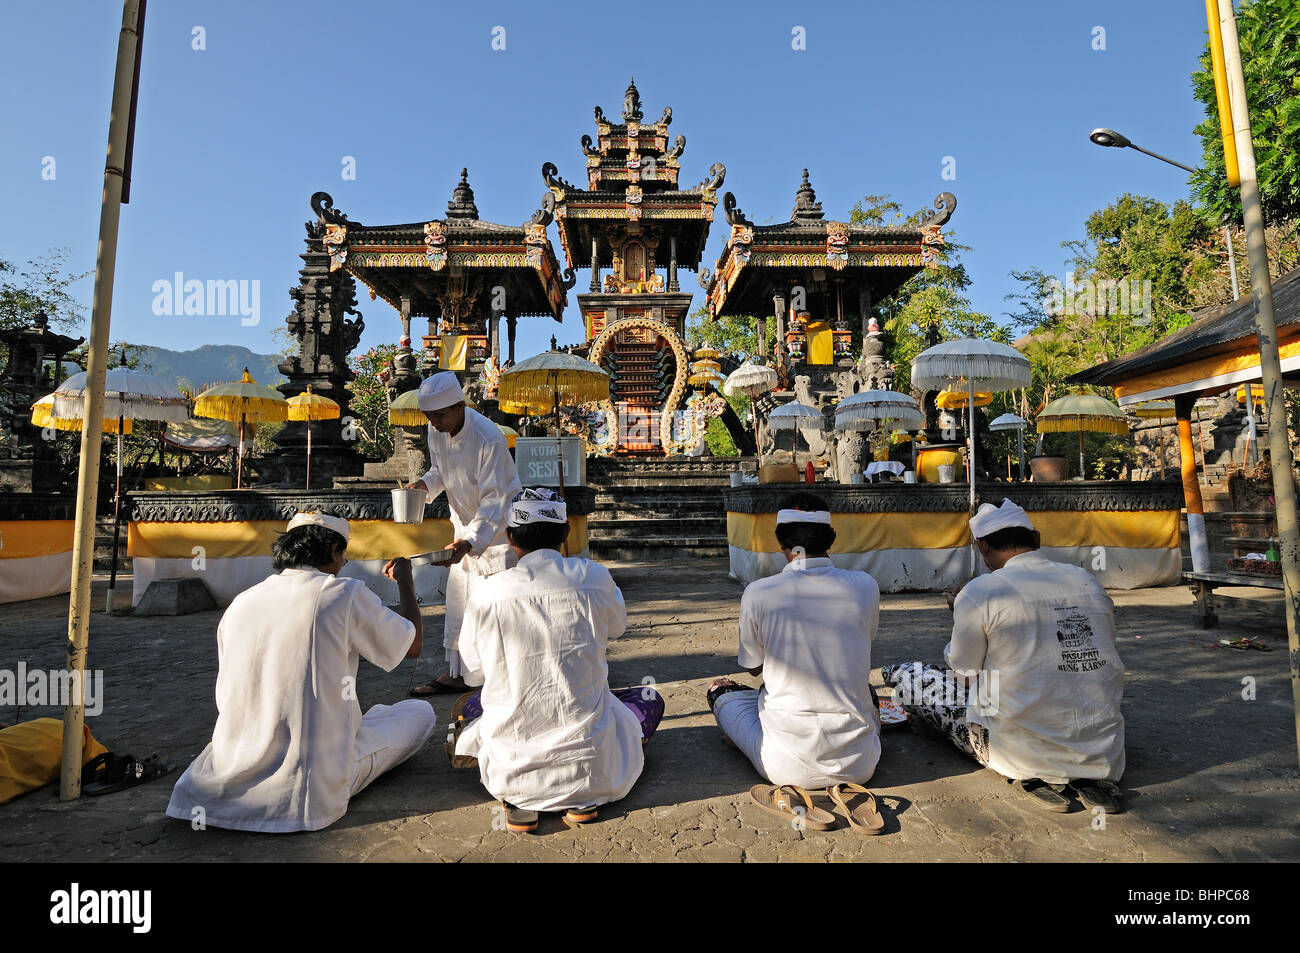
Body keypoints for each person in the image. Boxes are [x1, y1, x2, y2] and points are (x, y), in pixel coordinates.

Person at [165, 513, 435, 832]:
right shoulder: (343, 593)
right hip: (309, 785)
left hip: (233, 764)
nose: (343, 564)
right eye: (343, 556)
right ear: (334, 552)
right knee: (420, 713)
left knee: (372, 715)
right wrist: (406, 579)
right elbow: (412, 644)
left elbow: (227, 695)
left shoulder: (241, 603)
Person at [880, 498, 1126, 813]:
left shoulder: (981, 590)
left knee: (909, 677)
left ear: (982, 547)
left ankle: (1018, 760)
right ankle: (1077, 770)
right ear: (1036, 539)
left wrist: (961, 612)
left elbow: (964, 675)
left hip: (1017, 754)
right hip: (1102, 753)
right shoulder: (1087, 581)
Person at [448, 488, 663, 832]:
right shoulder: (594, 577)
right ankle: (581, 799)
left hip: (511, 773)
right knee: (648, 700)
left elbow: (474, 672)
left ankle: (520, 797)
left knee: (469, 706)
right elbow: (617, 627)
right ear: (566, 534)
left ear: (510, 537)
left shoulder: (487, 593)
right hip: (595, 771)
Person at [707, 492, 882, 822]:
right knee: (870, 693)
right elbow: (863, 641)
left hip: (786, 766)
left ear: (781, 541)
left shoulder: (759, 592)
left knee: (721, 692)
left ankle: (738, 732)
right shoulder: (865, 585)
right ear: (830, 537)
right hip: (860, 764)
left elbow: (755, 668)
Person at [407, 371, 522, 696]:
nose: (434, 422)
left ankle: (500, 678)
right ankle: (461, 673)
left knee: (494, 609)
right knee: (461, 605)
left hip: (497, 532)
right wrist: (424, 486)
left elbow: (494, 497)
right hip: (463, 527)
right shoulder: (435, 430)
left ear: (459, 406)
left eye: (439, 416)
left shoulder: (488, 438)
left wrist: (471, 540)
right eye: (429, 417)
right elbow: (439, 471)